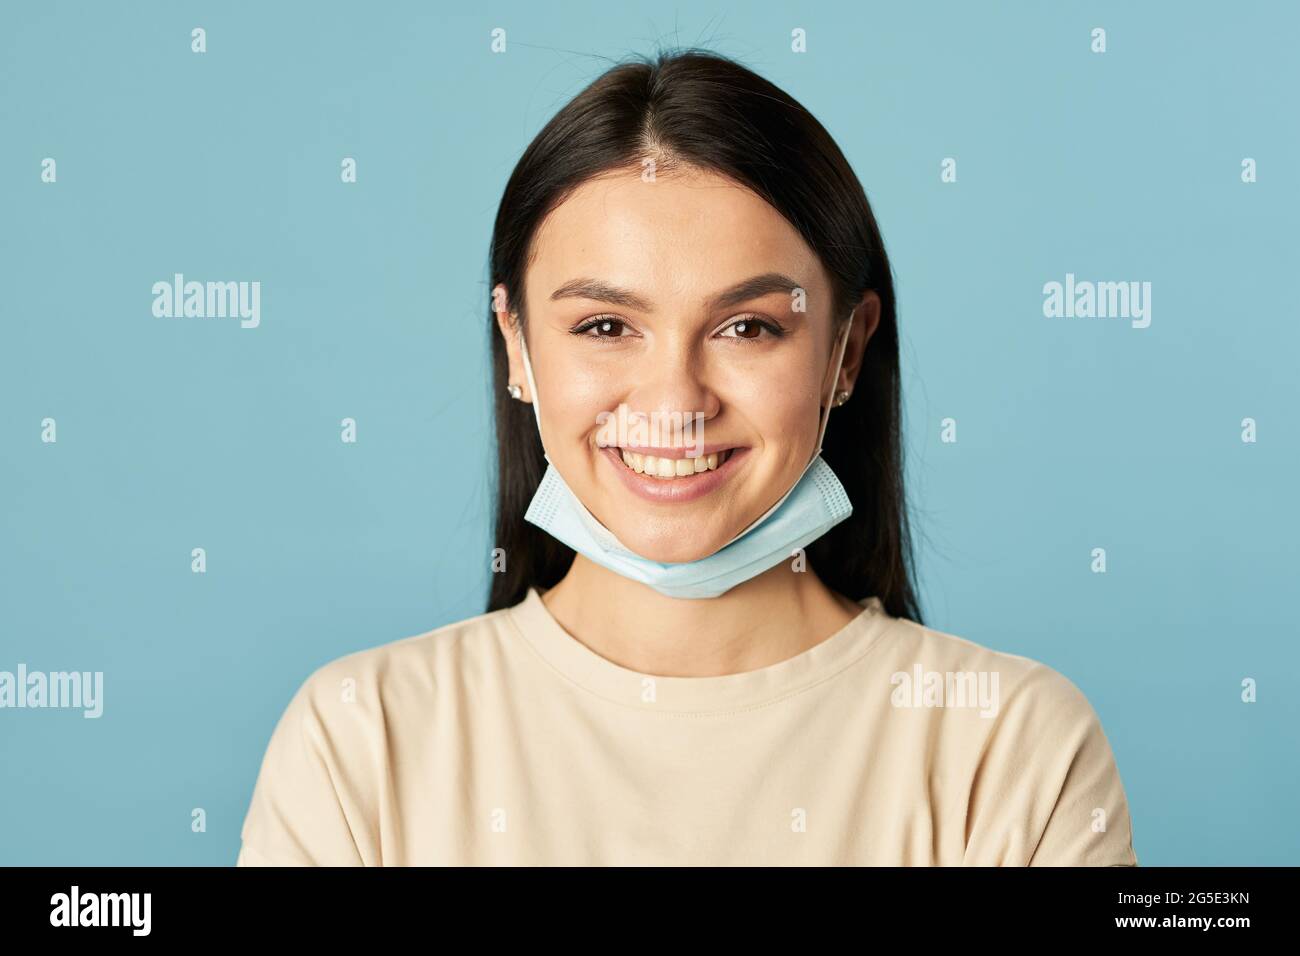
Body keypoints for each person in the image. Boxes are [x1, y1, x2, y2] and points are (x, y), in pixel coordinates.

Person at [236, 49, 1137, 866]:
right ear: (516, 346)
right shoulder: (359, 743)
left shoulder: (1012, 750)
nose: (675, 404)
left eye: (747, 327)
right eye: (605, 326)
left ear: (846, 352)